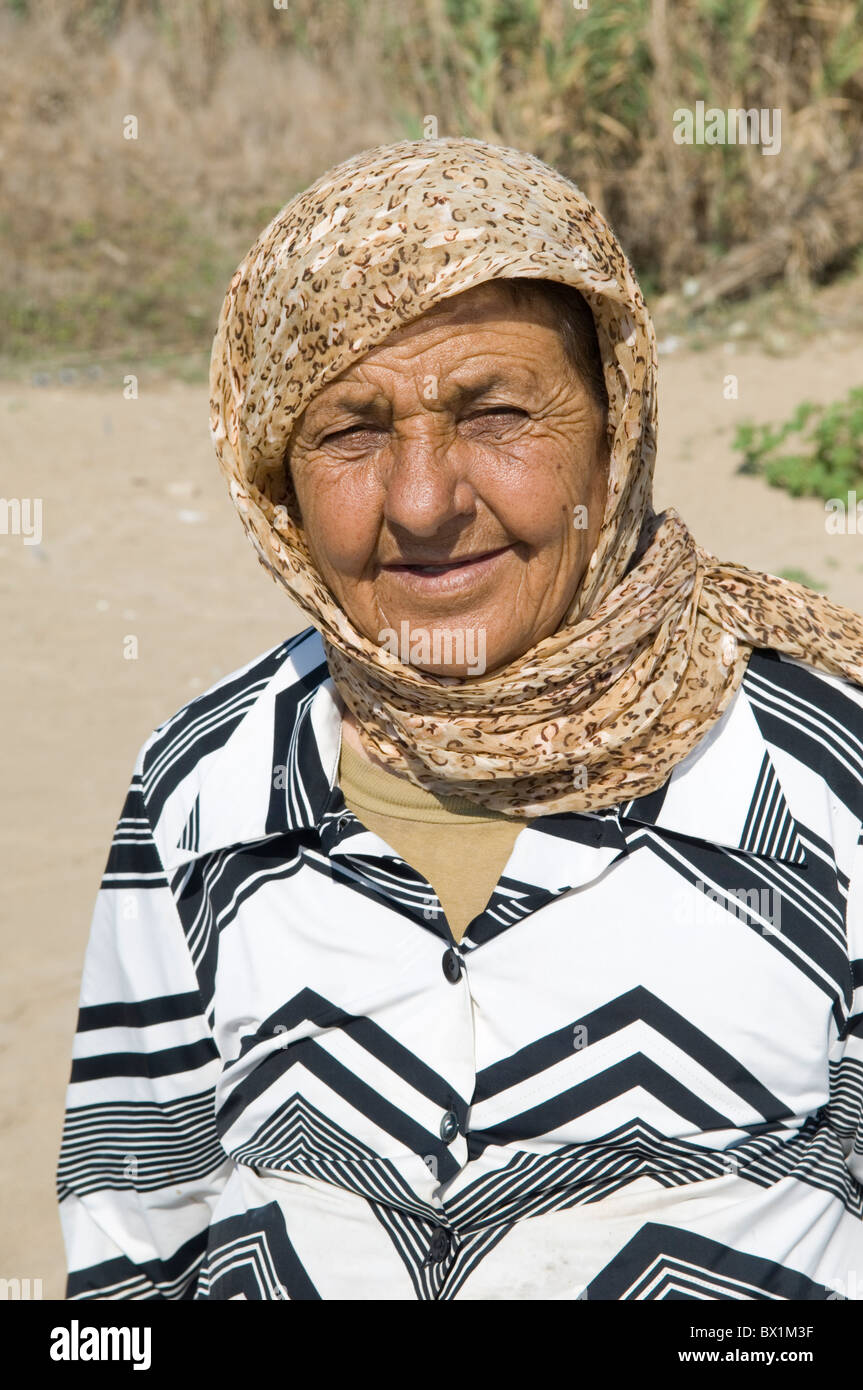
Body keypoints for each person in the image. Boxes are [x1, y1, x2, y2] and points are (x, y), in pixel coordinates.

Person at [57, 138, 863, 1301]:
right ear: (276, 478)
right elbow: (134, 1220)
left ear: (613, 423)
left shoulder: (822, 777)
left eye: (493, 413)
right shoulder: (206, 781)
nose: (424, 501)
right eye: (350, 431)